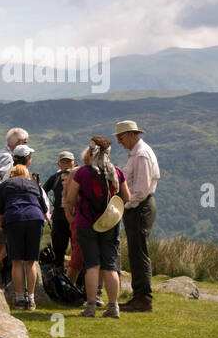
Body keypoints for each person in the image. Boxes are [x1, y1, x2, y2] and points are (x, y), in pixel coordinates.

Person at [65, 136, 130, 318]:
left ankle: (91, 306)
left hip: (86, 223)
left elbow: (70, 199)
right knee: (109, 266)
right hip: (110, 223)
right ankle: (113, 307)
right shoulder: (116, 172)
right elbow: (127, 197)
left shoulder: (82, 173)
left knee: (92, 265)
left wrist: (75, 207)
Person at [0, 148, 48, 310]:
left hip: (14, 220)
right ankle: (31, 300)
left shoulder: (4, 186)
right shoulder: (34, 184)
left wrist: (3, 228)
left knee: (17, 261)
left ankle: (19, 299)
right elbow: (45, 210)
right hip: (35, 219)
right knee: (31, 262)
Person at [116, 120, 160, 313]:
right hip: (138, 206)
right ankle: (139, 296)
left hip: (139, 207)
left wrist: (123, 204)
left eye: (121, 137)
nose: (119, 141)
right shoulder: (137, 153)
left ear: (132, 134)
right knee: (136, 252)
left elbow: (140, 190)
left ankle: (143, 298)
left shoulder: (141, 155)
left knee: (138, 252)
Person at [0, 127, 29, 276]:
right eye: (25, 142)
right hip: (0, 206)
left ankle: (1, 274)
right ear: (17, 143)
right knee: (3, 242)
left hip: (3, 205)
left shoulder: (9, 155)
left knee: (4, 242)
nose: (26, 145)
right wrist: (5, 191)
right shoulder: (7, 156)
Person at [42, 151, 76, 270]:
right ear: (58, 164)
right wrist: (46, 209)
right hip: (59, 218)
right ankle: (59, 276)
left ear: (74, 163)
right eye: (63, 162)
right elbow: (42, 192)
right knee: (58, 250)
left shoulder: (79, 176)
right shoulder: (55, 178)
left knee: (78, 250)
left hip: (76, 218)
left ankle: (80, 281)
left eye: (68, 161)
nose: (66, 164)